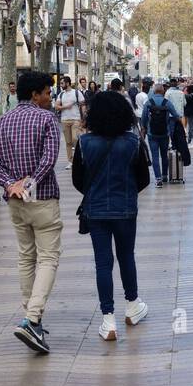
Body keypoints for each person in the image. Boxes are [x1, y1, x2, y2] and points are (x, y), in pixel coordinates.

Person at [0, 71, 63, 355]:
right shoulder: (47, 120)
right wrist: (30, 183)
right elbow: (49, 158)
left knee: (26, 257)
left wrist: (10, 184)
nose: (49, 97)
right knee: (48, 258)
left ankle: (33, 320)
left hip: (15, 202)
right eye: (47, 92)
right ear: (35, 94)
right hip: (42, 198)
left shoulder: (1, 121)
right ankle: (32, 319)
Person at [72, 92, 151, 341]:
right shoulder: (133, 141)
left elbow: (78, 180)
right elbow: (144, 178)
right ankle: (132, 305)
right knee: (127, 256)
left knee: (103, 263)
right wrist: (127, 192)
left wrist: (95, 193)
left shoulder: (84, 143)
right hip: (126, 209)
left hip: (96, 211)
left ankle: (108, 320)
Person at [140, 82, 180, 187]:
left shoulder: (149, 102)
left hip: (152, 134)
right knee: (164, 155)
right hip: (164, 133)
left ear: (154, 91)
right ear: (163, 91)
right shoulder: (167, 102)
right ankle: (165, 176)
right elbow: (176, 115)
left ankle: (158, 179)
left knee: (155, 156)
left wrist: (144, 127)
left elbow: (144, 117)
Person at [56, 75, 86, 169]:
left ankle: (79, 158)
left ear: (67, 83)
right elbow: (56, 107)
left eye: (62, 83)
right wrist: (66, 107)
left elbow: (83, 105)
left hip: (76, 119)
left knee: (75, 139)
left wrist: (83, 117)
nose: (61, 85)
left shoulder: (76, 93)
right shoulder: (61, 94)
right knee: (68, 142)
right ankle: (70, 161)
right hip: (64, 120)